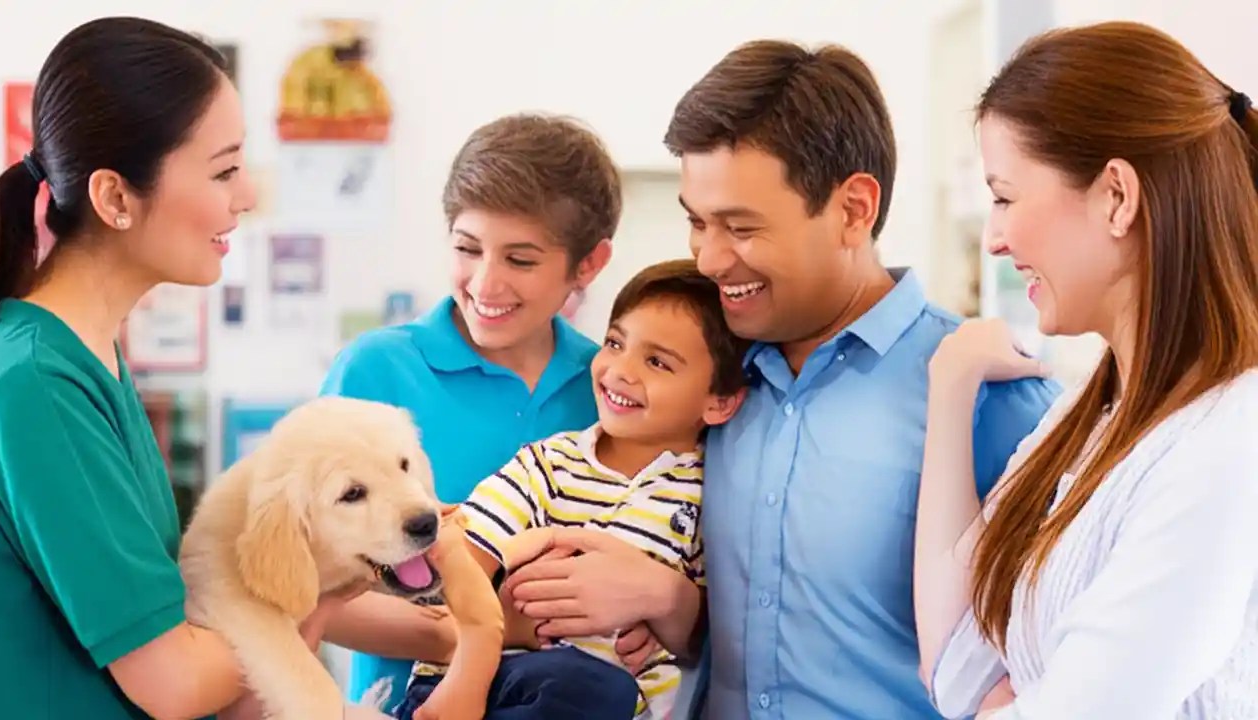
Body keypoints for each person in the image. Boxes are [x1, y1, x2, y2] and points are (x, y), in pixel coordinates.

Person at [612, 40, 1058, 719]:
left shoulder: (991, 393)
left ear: (853, 209)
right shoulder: (711, 377)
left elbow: (1059, 666)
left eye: (740, 227)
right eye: (696, 223)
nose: (706, 258)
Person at [0, 16, 356, 720]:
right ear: (116, 198)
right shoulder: (37, 384)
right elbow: (174, 681)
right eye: (223, 170)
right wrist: (318, 596)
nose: (245, 195)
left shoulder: (92, 360)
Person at [915, 21, 1258, 719]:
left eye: (1006, 196)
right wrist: (949, 391)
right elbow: (955, 669)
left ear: (1116, 197)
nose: (996, 236)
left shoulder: (1231, 437)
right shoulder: (1085, 418)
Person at [321, 113, 697, 711]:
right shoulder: (376, 370)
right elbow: (308, 588)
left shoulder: (609, 389)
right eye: (468, 249)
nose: (486, 284)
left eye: (520, 260)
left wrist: (655, 608)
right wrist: (479, 629)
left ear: (589, 264)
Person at [394, 259, 749, 719]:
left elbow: (704, 637)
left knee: (600, 688)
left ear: (719, 402)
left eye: (657, 361)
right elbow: (460, 558)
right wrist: (505, 608)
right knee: (583, 682)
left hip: (599, 701)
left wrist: (662, 615)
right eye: (615, 343)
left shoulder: (710, 497)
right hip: (482, 684)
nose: (620, 370)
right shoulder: (548, 463)